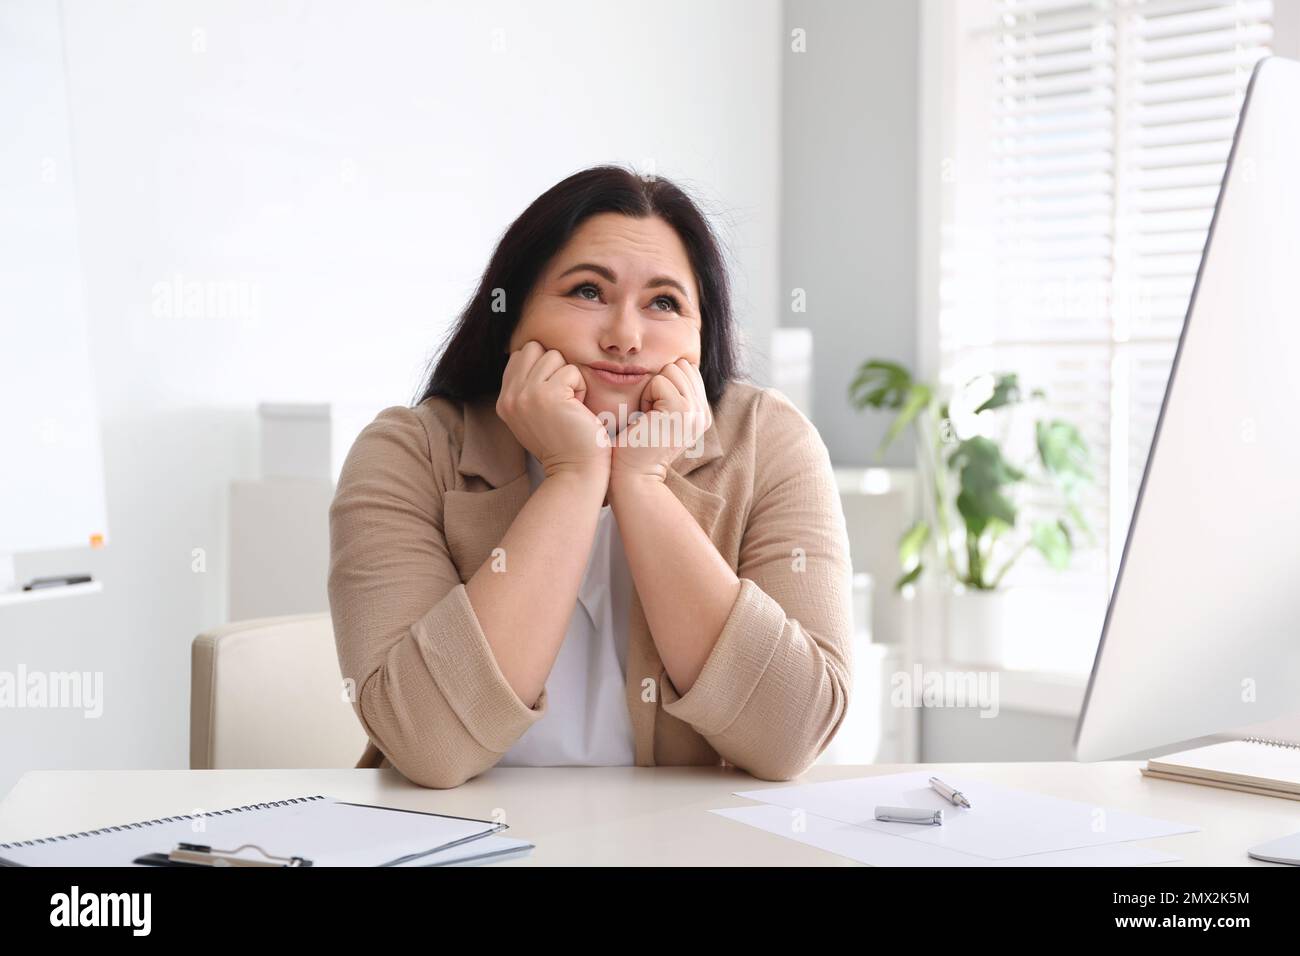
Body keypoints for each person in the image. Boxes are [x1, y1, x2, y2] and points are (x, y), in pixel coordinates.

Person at [327, 164, 854, 789]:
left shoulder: (769, 441)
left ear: (700, 332)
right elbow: (430, 745)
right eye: (586, 292)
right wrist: (574, 476)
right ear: (510, 317)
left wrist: (641, 484)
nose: (626, 337)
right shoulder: (407, 452)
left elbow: (791, 736)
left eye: (664, 302)